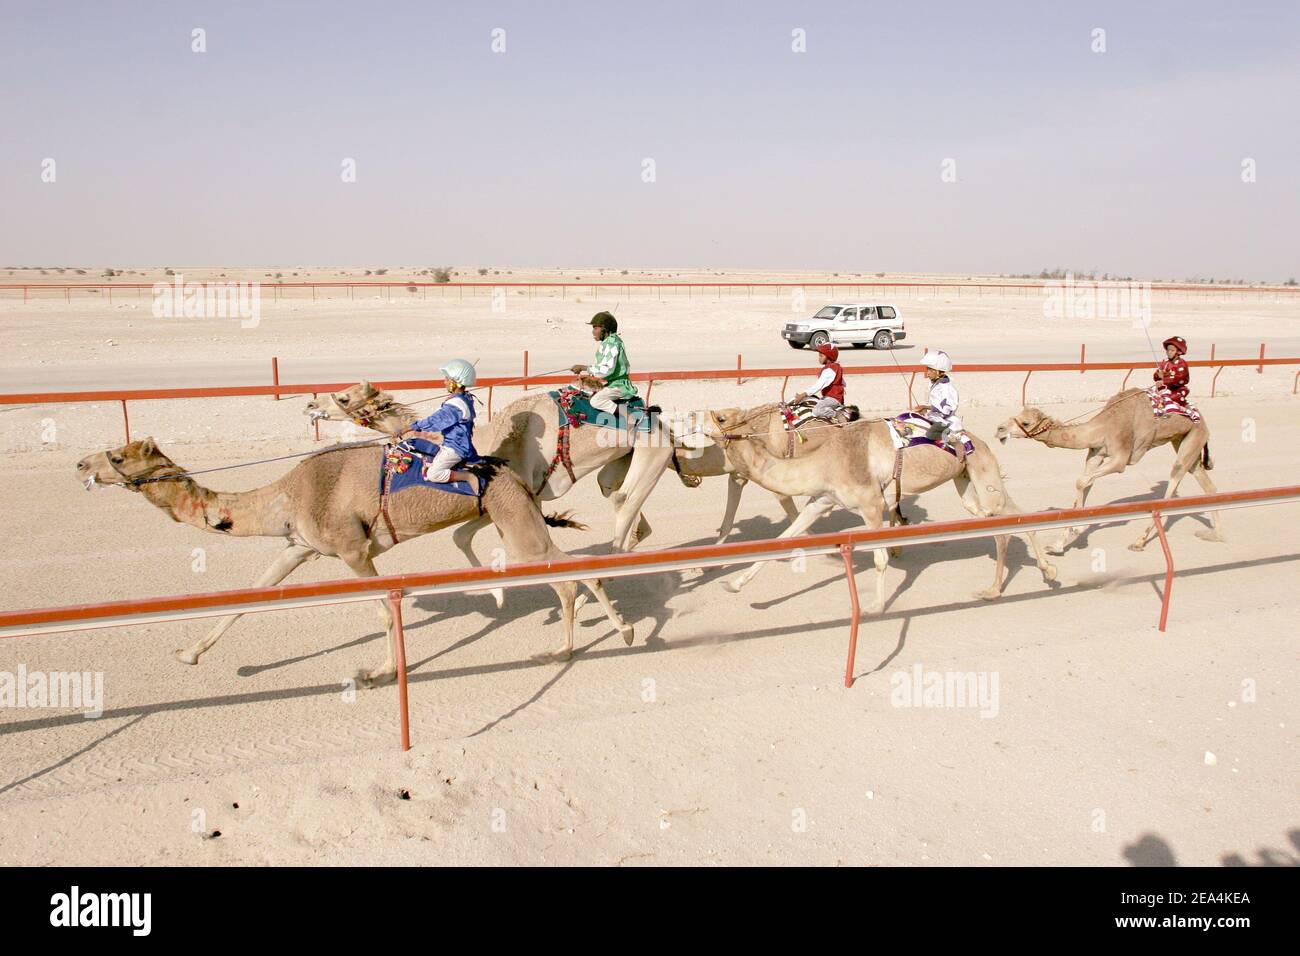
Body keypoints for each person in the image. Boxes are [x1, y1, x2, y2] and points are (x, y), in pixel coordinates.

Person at [402, 359, 481, 491]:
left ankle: (468, 477)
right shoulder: (463, 398)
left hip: (455, 448)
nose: (444, 382)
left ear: (455, 382)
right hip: (454, 444)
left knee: (433, 474)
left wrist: (410, 427)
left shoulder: (456, 405)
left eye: (447, 379)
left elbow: (435, 420)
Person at [571, 311, 637, 416]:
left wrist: (584, 367)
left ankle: (627, 415)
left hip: (618, 385)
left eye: (596, 328)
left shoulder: (612, 343)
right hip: (610, 383)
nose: (593, 332)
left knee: (595, 401)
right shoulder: (607, 343)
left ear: (605, 330)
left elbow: (607, 369)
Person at [914, 349, 963, 452]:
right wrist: (925, 411)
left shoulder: (946, 388)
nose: (927, 373)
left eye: (930, 370)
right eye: (927, 369)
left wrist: (926, 407)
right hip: (934, 417)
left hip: (946, 421)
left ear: (939, 372)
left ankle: (952, 440)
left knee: (930, 434)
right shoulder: (934, 385)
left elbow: (947, 409)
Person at [793, 343, 849, 425]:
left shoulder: (829, 370)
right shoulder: (835, 367)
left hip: (833, 399)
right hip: (831, 397)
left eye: (821, 356)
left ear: (828, 357)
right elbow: (844, 383)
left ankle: (837, 414)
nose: (819, 358)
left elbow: (818, 386)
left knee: (816, 411)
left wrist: (803, 395)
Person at [1153, 336, 1190, 404]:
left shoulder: (1181, 363)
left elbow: (1178, 377)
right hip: (1164, 388)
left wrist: (1163, 381)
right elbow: (1156, 375)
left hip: (1177, 390)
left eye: (1172, 350)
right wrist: (1158, 375)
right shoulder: (1165, 362)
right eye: (1168, 350)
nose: (1169, 352)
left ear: (1178, 352)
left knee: (1171, 398)